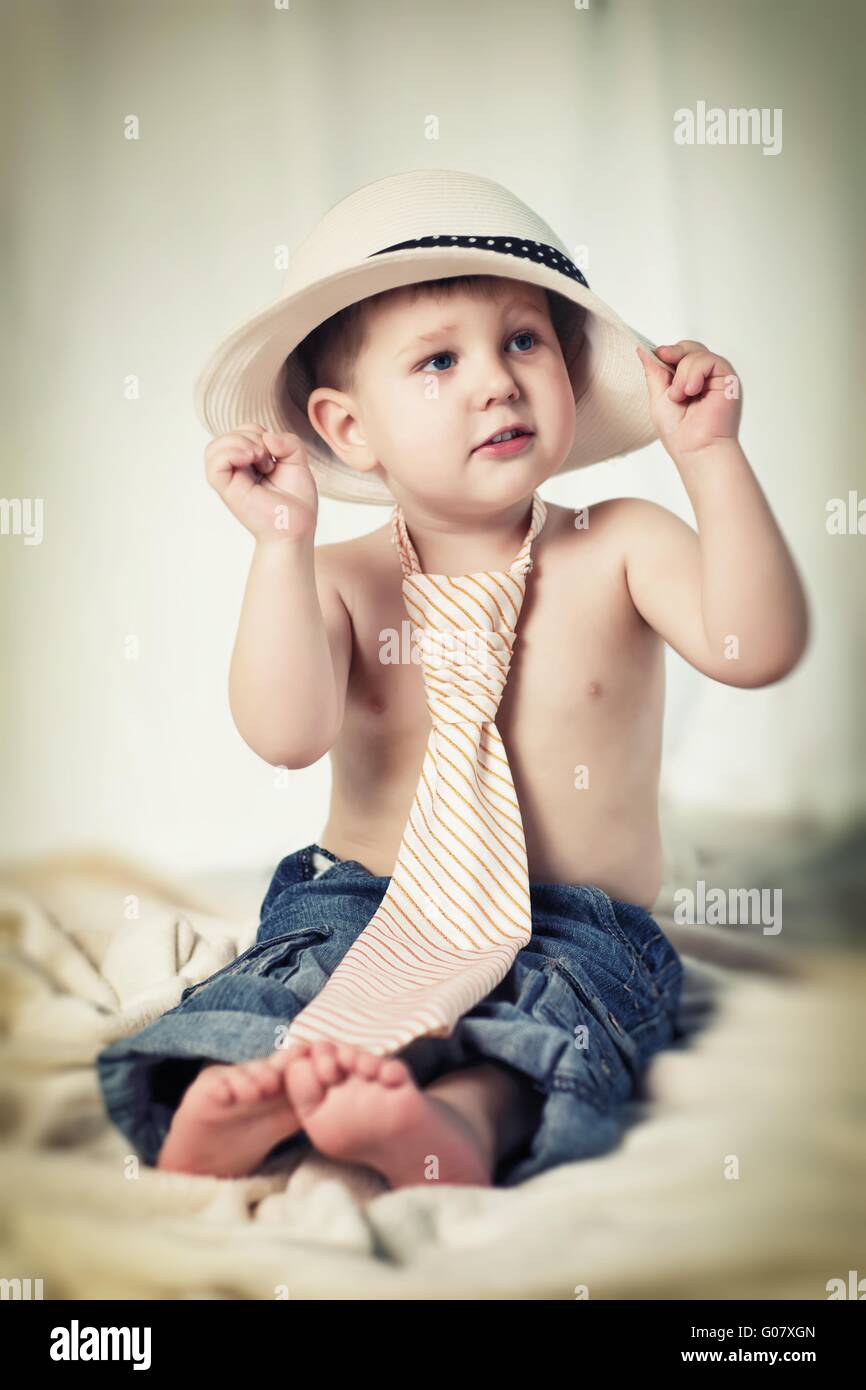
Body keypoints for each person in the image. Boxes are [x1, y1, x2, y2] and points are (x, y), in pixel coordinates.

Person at [96, 171, 809, 1189]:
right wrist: (280, 548)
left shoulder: (618, 545)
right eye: (438, 358)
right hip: (364, 899)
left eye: (523, 340)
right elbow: (284, 731)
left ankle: (446, 1126)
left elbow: (754, 647)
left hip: (572, 921)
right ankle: (253, 1089)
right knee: (292, 981)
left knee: (549, 1026)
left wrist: (709, 459)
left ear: (567, 365)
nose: (496, 380)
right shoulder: (339, 578)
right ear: (346, 429)